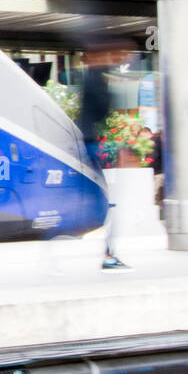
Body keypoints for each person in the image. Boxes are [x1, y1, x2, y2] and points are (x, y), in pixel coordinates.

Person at [78, 41, 133, 272]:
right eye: (120, 55)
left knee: (107, 204)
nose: (123, 59)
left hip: (92, 145)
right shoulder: (95, 80)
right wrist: (119, 148)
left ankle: (109, 252)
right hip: (94, 146)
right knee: (110, 204)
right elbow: (96, 116)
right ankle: (109, 254)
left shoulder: (95, 78)